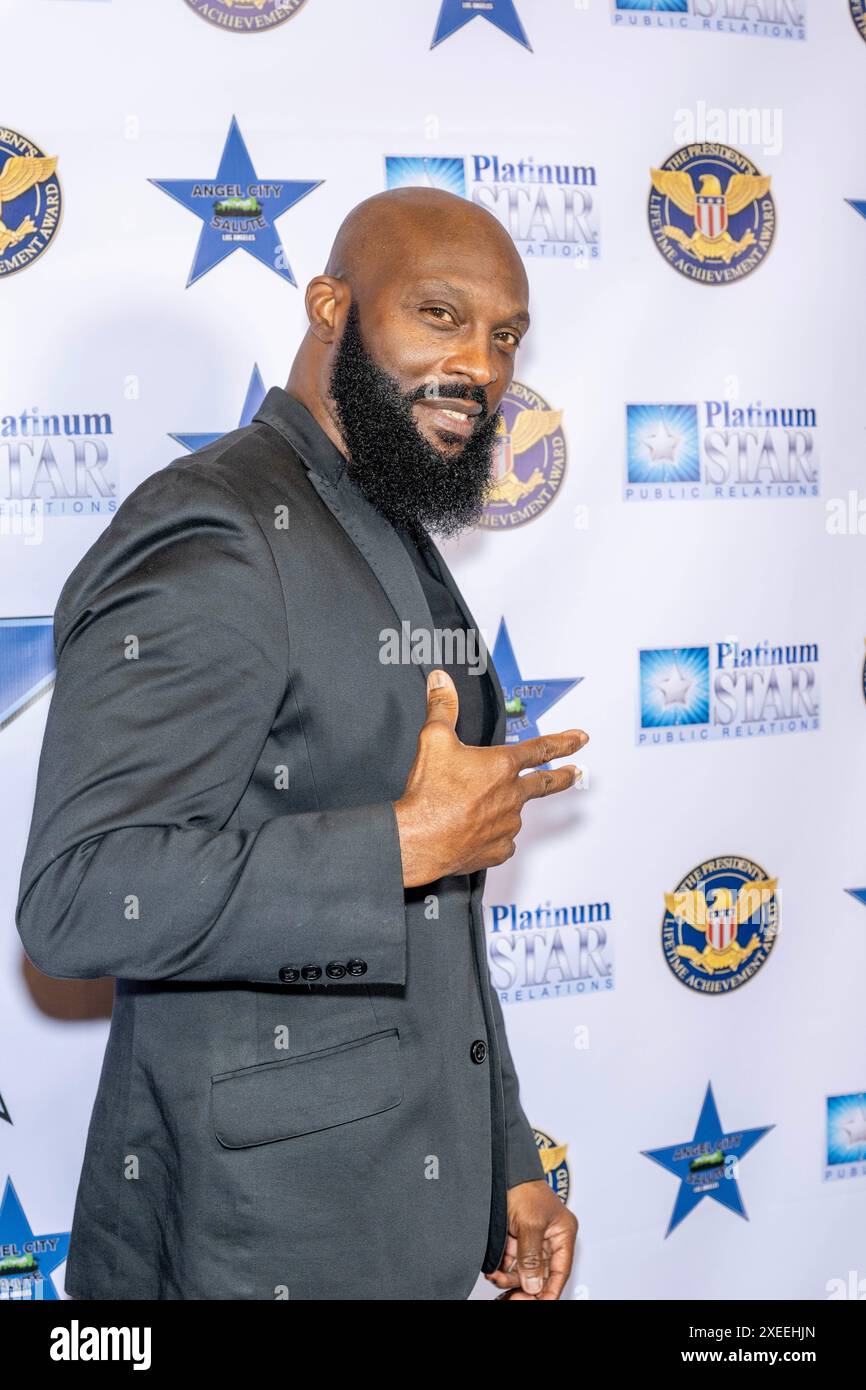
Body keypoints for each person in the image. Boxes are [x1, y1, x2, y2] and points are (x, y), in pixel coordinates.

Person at [16, 187, 588, 1301]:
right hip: (245, 1244)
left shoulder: (384, 527)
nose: (478, 363)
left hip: (389, 1223)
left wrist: (502, 1163)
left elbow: (439, 924)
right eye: (438, 314)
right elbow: (79, 898)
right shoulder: (219, 527)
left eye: (504, 334)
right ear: (332, 305)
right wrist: (396, 844)